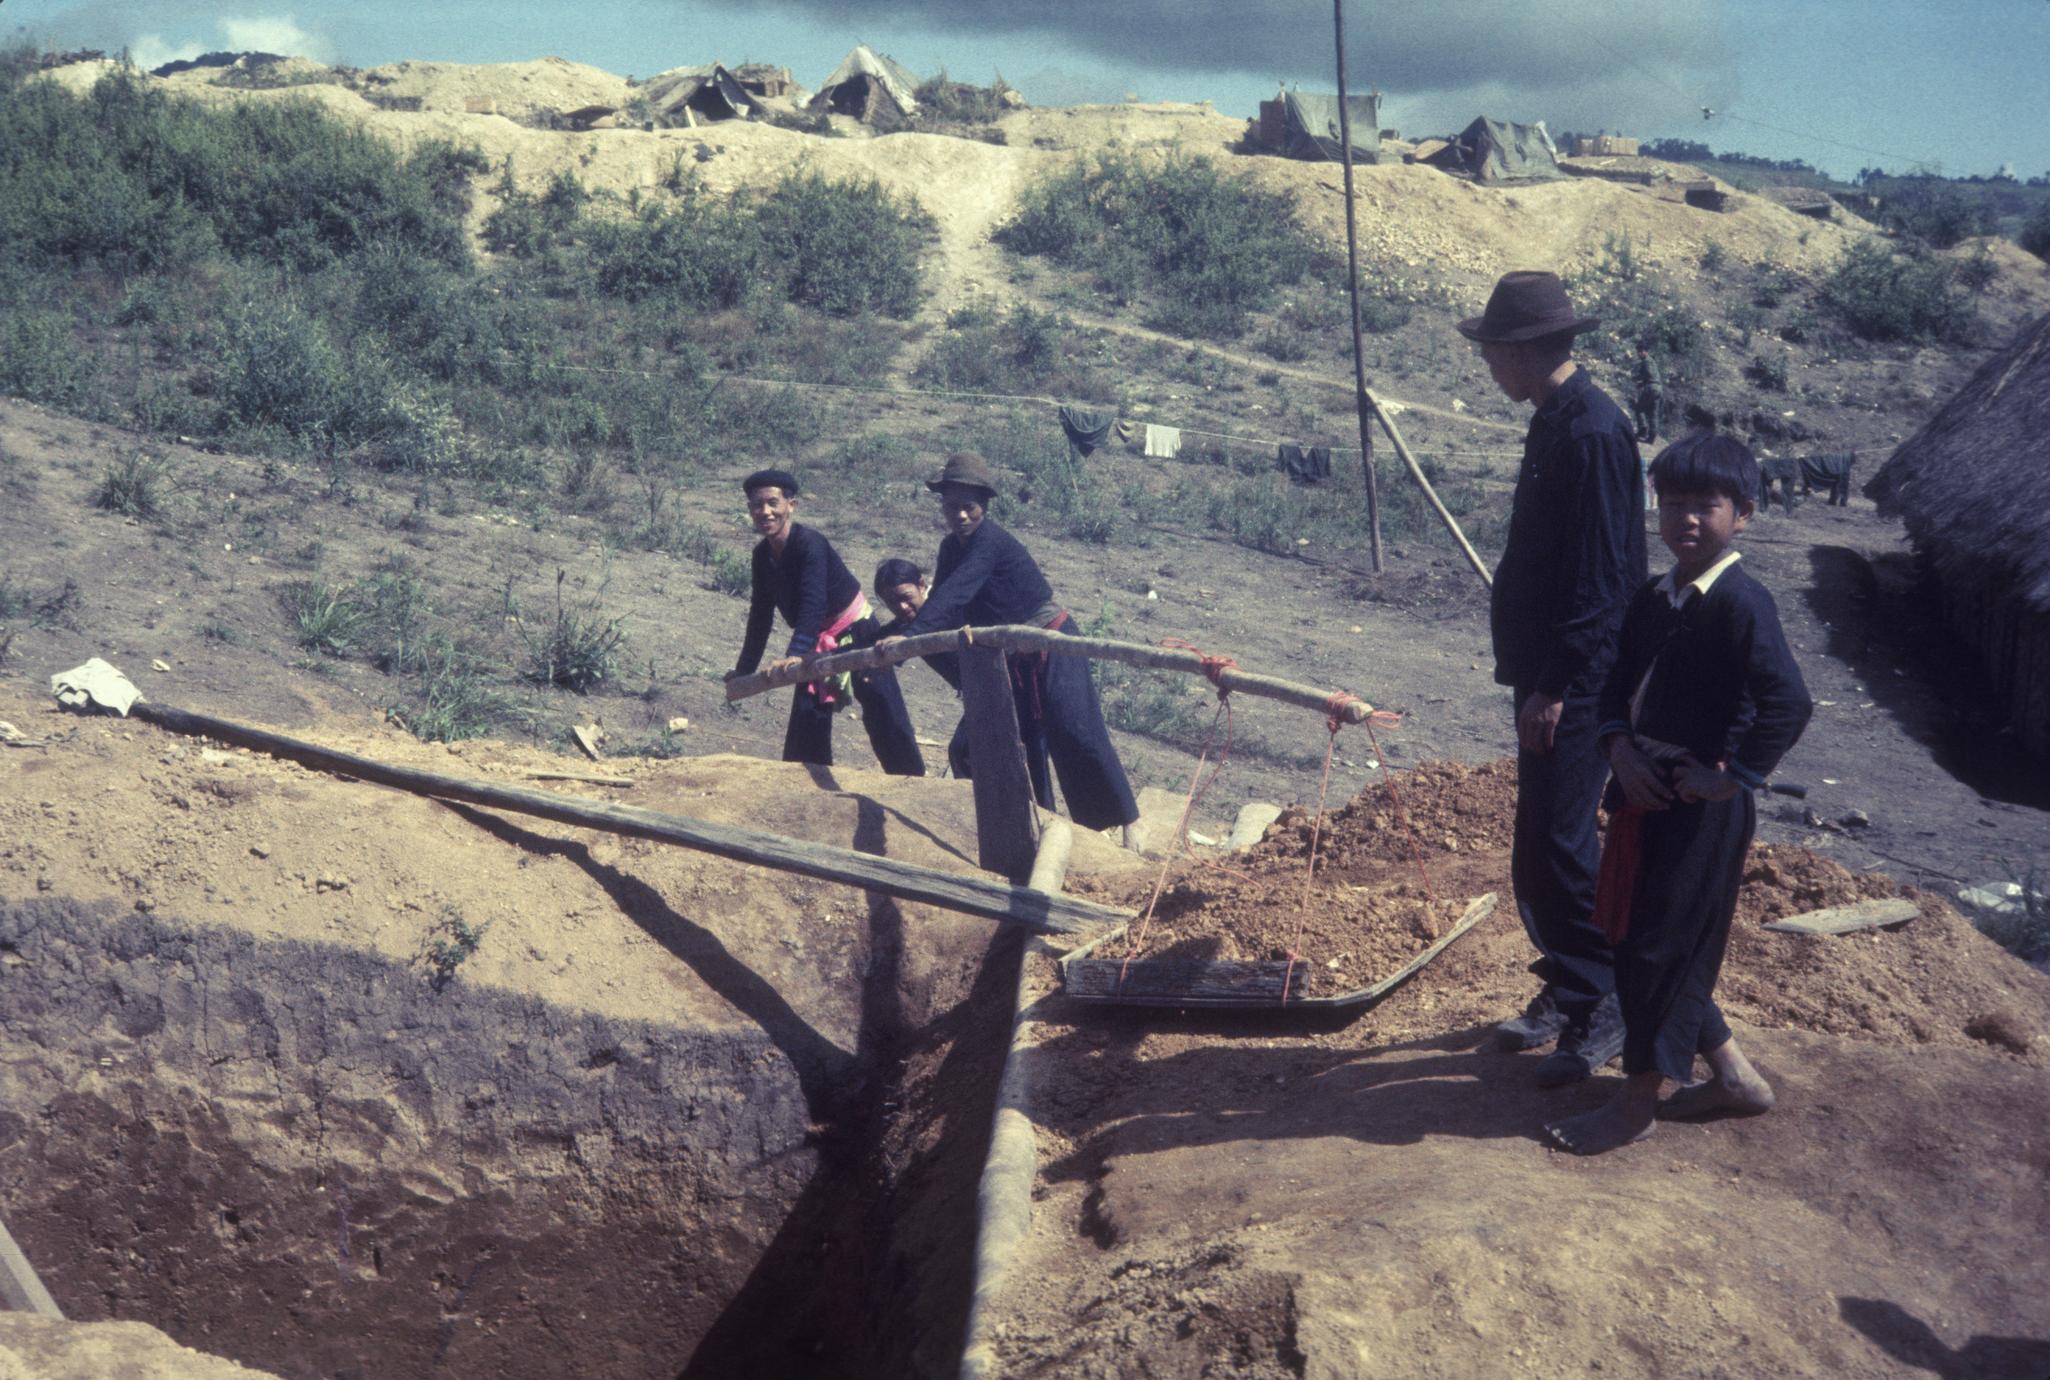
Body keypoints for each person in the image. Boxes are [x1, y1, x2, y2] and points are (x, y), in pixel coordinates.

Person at [1546, 431, 1812, 1155]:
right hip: (1646, 793)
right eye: (1672, 504)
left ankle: (1636, 1104)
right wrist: (1618, 749)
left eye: (1706, 505)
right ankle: (1737, 1080)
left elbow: (1788, 701)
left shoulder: (1741, 603)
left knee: (1661, 950)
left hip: (1701, 808)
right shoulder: (1655, 599)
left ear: (1743, 515)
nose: (1686, 519)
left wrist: (1733, 777)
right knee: (1643, 940)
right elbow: (1611, 686)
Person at [1459, 270, 1647, 1086]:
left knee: (1565, 845)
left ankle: (1606, 997)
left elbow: (1601, 582)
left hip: (1580, 678)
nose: (1487, 367)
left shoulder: (1594, 433)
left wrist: (1559, 685)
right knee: (1539, 843)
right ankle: (1572, 983)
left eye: (1492, 353)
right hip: (1547, 673)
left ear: (1523, 351)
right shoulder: (1554, 421)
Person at [882, 452, 1140, 840]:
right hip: (1012, 656)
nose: (961, 516)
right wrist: (898, 638)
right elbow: (944, 602)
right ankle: (1040, 821)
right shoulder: (950, 548)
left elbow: (954, 593)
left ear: (984, 506)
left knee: (1075, 730)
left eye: (969, 507)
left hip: (1050, 639)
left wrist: (908, 638)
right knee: (1020, 742)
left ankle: (1124, 822)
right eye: (952, 507)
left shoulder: (990, 542)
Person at [724, 469, 925, 776]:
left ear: (791, 505)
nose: (765, 511)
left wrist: (797, 653)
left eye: (773, 503)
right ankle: (805, 786)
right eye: (756, 505)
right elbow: (760, 614)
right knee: (808, 722)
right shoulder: (761, 556)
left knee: (884, 712)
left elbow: (813, 601)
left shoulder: (811, 544)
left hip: (857, 629)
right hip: (816, 638)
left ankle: (911, 780)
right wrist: (744, 669)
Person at [873, 557, 972, 779]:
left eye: (906, 597)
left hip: (1004, 686)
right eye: (892, 602)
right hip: (976, 693)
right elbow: (874, 640)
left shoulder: (945, 608)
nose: (902, 607)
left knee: (964, 751)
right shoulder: (908, 624)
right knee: (964, 752)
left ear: (922, 584)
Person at [1631, 345, 1665, 444]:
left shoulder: (1646, 362)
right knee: (1653, 413)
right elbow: (1652, 376)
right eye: (1638, 351)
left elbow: (1648, 375)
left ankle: (1642, 429)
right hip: (1658, 388)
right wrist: (1642, 383)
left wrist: (1637, 378)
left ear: (1645, 351)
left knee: (1639, 408)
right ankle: (1652, 436)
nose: (1639, 354)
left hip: (1651, 388)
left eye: (1640, 351)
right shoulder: (1652, 362)